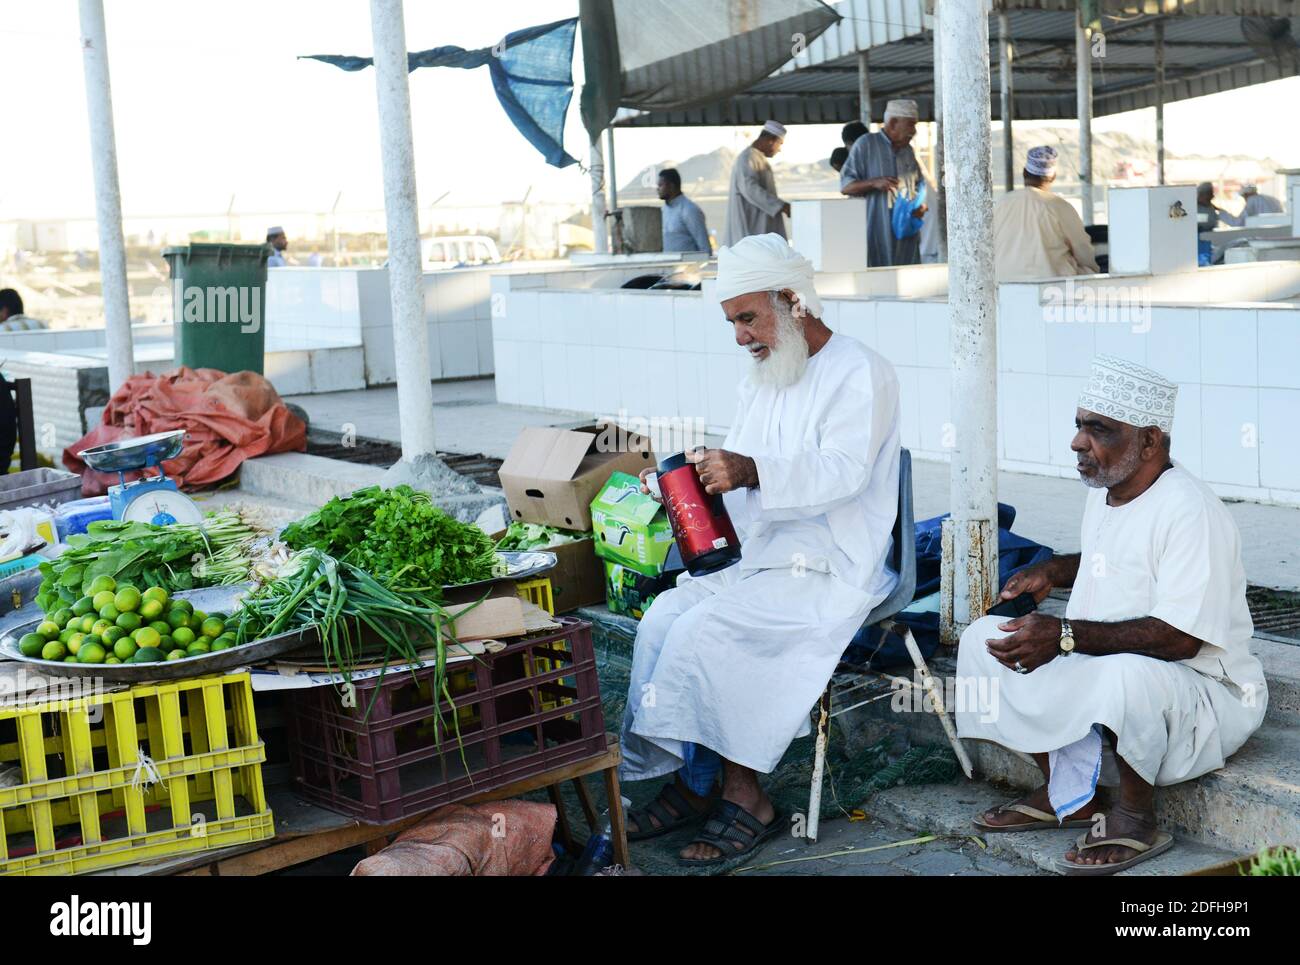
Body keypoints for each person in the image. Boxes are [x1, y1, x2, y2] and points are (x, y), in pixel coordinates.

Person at [619, 233, 902, 864]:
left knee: (708, 634)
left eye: (748, 318)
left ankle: (748, 798)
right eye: (734, 322)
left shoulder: (861, 370)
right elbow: (744, 465)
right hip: (763, 550)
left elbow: (843, 472)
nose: (742, 336)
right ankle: (696, 784)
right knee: (663, 620)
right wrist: (688, 481)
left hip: (832, 561)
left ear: (794, 301)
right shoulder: (768, 375)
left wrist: (748, 470)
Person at [956, 355, 1267, 875]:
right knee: (982, 639)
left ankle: (1134, 815)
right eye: (1080, 426)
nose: (1079, 442)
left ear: (1149, 442)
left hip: (1202, 688)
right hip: (1108, 656)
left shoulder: (1192, 513)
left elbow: (1180, 641)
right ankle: (1071, 795)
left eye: (1099, 429)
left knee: (1128, 673)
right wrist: (1056, 570)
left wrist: (1065, 635)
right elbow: (1122, 560)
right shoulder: (1107, 489)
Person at [839, 98, 926, 266]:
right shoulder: (866, 144)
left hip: (906, 237)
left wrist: (920, 207)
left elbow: (918, 185)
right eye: (910, 124)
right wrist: (873, 183)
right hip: (876, 233)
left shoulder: (908, 151)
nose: (914, 131)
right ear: (893, 123)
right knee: (878, 282)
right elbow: (845, 186)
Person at [993, 146, 1099, 282]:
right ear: (1053, 177)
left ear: (1024, 172)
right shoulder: (1059, 206)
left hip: (1003, 283)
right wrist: (1093, 271)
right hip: (1051, 285)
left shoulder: (1002, 203)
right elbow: (1082, 250)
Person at [723, 121, 791, 246]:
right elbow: (750, 189)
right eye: (779, 144)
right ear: (771, 140)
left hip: (760, 228)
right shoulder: (747, 158)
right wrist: (781, 206)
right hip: (751, 229)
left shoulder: (757, 158)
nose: (779, 149)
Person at [657, 168, 711, 254]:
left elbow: (705, 248)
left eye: (660, 185)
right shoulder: (663, 210)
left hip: (688, 266)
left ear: (671, 186)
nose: (658, 189)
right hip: (666, 265)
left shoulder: (689, 210)